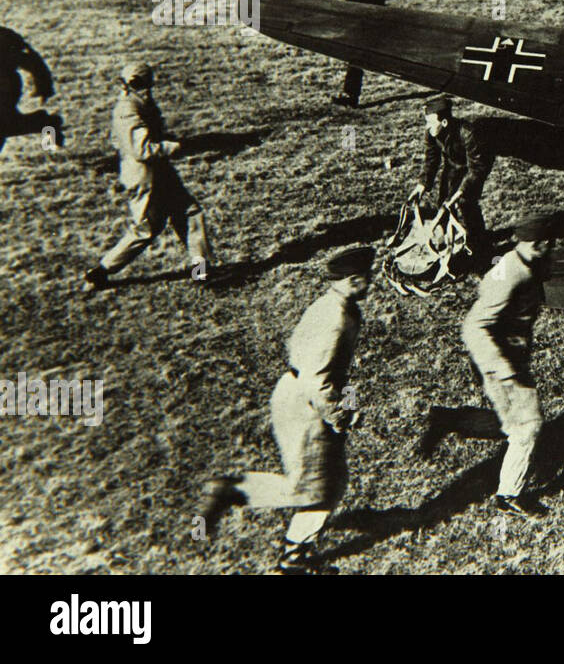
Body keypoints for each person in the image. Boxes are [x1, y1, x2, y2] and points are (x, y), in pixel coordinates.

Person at [201, 246, 375, 574]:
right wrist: (340, 415)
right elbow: (317, 380)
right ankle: (233, 492)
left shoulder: (332, 305)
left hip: (299, 392)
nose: (371, 283)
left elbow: (331, 369)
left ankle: (296, 554)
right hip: (306, 404)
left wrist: (348, 403)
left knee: (331, 484)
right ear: (353, 280)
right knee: (308, 487)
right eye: (367, 278)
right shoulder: (336, 319)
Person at [460, 214, 557, 520]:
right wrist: (502, 368)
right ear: (537, 244)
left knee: (514, 423)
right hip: (501, 363)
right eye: (546, 243)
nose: (550, 248)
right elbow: (474, 327)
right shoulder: (509, 275)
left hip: (509, 358)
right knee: (527, 426)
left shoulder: (526, 264)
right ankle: (509, 495)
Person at [84, 62, 212, 291]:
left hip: (160, 174)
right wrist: (172, 147)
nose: (147, 89)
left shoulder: (139, 103)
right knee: (147, 229)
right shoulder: (127, 109)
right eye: (142, 84)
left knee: (191, 214)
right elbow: (141, 150)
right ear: (133, 84)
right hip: (146, 177)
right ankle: (100, 272)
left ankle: (200, 272)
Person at [417, 95, 490, 258]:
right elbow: (431, 159)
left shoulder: (469, 134)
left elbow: (476, 169)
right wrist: (422, 184)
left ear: (444, 123)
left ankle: (480, 245)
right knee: (443, 200)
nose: (427, 127)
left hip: (475, 166)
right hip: (454, 165)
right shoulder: (432, 132)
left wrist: (460, 192)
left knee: (466, 202)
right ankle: (443, 240)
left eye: (430, 122)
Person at [330, 0, 387, 108]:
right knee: (355, 61)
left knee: (356, 61)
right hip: (362, 28)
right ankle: (350, 96)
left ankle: (351, 96)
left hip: (370, 28)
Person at [0, 27, 63, 152]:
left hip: (4, 86)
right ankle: (45, 123)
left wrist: (44, 86)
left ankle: (46, 124)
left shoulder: (3, 36)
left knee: (5, 125)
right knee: (5, 126)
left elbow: (30, 59)